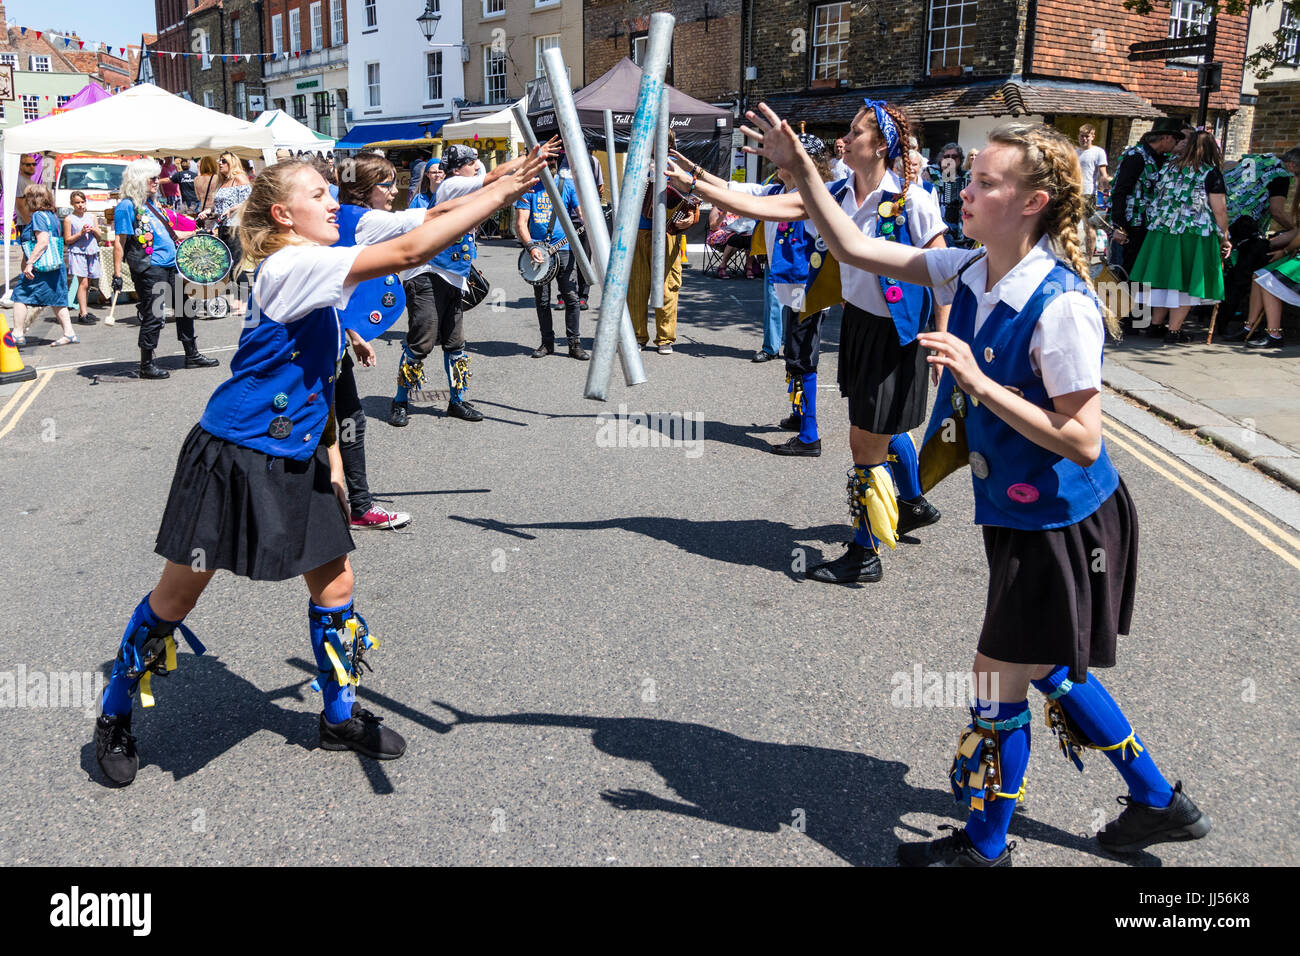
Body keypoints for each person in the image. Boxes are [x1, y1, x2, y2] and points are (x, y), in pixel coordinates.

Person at [751, 108, 1211, 865]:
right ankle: (1160, 800)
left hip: (1065, 521)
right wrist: (801, 171)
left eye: (986, 182)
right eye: (969, 177)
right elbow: (856, 245)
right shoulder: (967, 267)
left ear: (1032, 202)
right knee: (1048, 670)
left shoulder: (1061, 305)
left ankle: (986, 846)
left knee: (998, 683)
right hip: (1020, 509)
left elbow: (1084, 436)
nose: (967, 191)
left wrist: (976, 380)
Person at [89, 154, 545, 788]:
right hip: (237, 454)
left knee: (335, 585)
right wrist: (502, 198)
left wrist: (501, 178)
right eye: (318, 194)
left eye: (332, 192)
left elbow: (430, 216)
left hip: (297, 451)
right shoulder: (292, 264)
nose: (334, 202)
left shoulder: (322, 252)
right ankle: (113, 715)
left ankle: (338, 716)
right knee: (178, 595)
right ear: (283, 213)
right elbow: (414, 250)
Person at [703, 100, 948, 582]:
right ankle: (911, 503)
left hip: (895, 333)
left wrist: (941, 333)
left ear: (880, 145)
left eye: (857, 131)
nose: (847, 138)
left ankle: (865, 554)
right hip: (858, 324)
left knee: (863, 442)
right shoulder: (836, 191)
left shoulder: (911, 200)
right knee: (873, 425)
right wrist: (693, 180)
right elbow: (761, 205)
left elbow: (941, 268)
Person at [672, 133, 836, 455]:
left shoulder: (813, 197)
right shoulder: (776, 190)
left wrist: (692, 184)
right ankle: (800, 414)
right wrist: (694, 171)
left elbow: (745, 201)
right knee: (793, 353)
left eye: (784, 157)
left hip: (810, 290)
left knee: (803, 357)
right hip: (789, 286)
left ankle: (809, 436)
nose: (776, 161)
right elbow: (731, 190)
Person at [388, 142, 556, 426]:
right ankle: (400, 400)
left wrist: (520, 179)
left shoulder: (466, 188)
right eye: (474, 161)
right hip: (427, 274)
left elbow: (496, 192)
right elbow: (495, 178)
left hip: (454, 276)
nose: (479, 165)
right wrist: (527, 159)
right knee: (422, 343)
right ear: (459, 168)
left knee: (455, 344)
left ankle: (456, 400)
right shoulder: (452, 185)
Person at [111, 158, 219, 379]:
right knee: (154, 315)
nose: (156, 182)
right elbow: (119, 242)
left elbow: (172, 234)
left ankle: (191, 354)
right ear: (139, 180)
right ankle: (146, 364)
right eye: (152, 178)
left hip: (171, 265)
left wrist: (196, 232)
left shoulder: (153, 204)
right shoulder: (126, 206)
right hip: (150, 268)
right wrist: (116, 274)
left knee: (185, 308)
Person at [1128, 129, 1231, 343]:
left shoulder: (1168, 167)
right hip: (1193, 233)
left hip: (1162, 231)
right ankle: (1174, 330)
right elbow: (1219, 210)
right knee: (1185, 281)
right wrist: (1225, 237)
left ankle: (1156, 324)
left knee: (1164, 278)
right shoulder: (1210, 173)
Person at [628, 131, 700, 353]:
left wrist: (691, 217)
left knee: (668, 286)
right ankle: (638, 336)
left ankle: (665, 338)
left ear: (670, 143)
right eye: (653, 141)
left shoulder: (677, 166)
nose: (657, 145)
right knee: (637, 287)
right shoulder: (636, 163)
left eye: (663, 141)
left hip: (668, 234)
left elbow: (693, 201)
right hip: (639, 231)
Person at [515, 153, 590, 360]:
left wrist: (593, 221)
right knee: (542, 301)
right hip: (539, 253)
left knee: (572, 298)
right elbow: (521, 223)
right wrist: (530, 247)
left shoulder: (567, 185)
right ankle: (547, 343)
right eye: (545, 161)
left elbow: (582, 213)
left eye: (552, 161)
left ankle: (574, 344)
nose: (550, 164)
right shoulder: (528, 188)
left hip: (564, 250)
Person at [1218, 146, 1300, 336]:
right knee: (1241, 275)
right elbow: (1277, 211)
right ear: (1291, 165)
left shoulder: (1259, 159)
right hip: (1242, 227)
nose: (1295, 179)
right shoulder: (1280, 173)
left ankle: (1248, 327)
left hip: (1222, 218)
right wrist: (1293, 229)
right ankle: (1233, 321)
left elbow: (1227, 165)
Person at [1108, 120, 1184, 280]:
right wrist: (1119, 225)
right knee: (1124, 273)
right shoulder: (1136, 156)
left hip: (1145, 225)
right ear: (1166, 138)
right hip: (1130, 226)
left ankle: (1133, 304)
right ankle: (1120, 304)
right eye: (1176, 140)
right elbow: (1119, 191)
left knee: (1137, 273)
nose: (1176, 144)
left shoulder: (1158, 158)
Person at [10, 184, 77, 347]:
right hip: (55, 264)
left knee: (20, 294)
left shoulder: (39, 216)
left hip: (41, 267)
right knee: (57, 298)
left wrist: (30, 263)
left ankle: (17, 333)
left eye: (27, 198)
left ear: (32, 199)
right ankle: (69, 333)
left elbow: (43, 242)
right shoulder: (51, 215)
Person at [558, 150, 602, 310]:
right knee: (564, 259)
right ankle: (564, 294)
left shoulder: (592, 161)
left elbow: (599, 187)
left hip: (585, 219)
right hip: (565, 220)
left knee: (584, 258)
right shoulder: (562, 160)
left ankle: (583, 296)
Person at [63, 190, 104, 325]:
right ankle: (83, 313)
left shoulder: (91, 217)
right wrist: (80, 233)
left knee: (88, 283)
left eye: (82, 202)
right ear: (72, 204)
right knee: (83, 283)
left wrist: (93, 230)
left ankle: (83, 310)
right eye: (77, 203)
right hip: (78, 252)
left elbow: (99, 236)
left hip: (91, 251)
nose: (80, 205)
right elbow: (67, 240)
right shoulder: (69, 219)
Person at [1076, 125, 1110, 259]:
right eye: (1082, 136)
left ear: (1092, 137)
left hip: (1089, 193)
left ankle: (1089, 258)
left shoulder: (1098, 152)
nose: (1084, 139)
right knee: (1071, 225)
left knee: (1088, 226)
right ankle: (1073, 255)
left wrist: (1104, 190)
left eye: (1087, 136)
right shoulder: (1074, 152)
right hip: (1074, 192)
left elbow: (1103, 174)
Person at [935, 142, 967, 245]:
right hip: (937, 229)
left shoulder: (967, 178)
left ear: (960, 159)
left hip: (959, 231)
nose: (950, 159)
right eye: (946, 156)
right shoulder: (931, 175)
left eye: (954, 156)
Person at [14, 154, 37, 228]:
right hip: (25, 224)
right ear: (20, 166)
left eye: (34, 164)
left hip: (32, 222)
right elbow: (20, 205)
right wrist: (29, 224)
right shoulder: (20, 181)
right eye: (28, 165)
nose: (32, 167)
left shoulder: (31, 182)